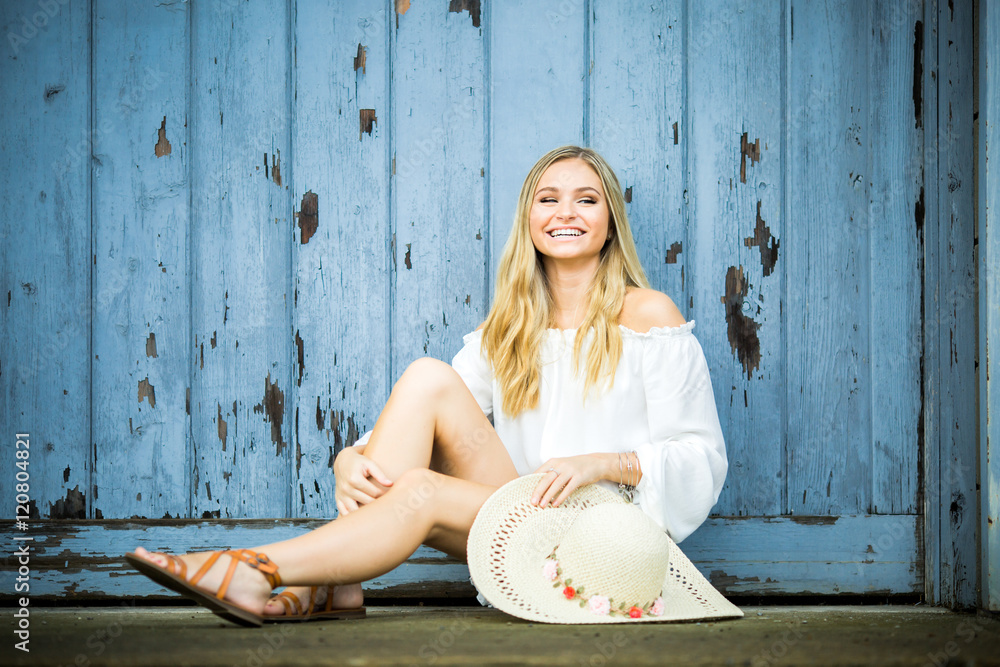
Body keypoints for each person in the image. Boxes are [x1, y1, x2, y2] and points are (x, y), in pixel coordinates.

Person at [126, 145, 729, 626]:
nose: (565, 212)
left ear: (610, 222)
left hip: (602, 537)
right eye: (548, 199)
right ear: (529, 219)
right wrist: (350, 457)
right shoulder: (511, 325)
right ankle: (328, 581)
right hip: (528, 512)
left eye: (586, 200)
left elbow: (701, 458)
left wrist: (601, 462)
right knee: (427, 377)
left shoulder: (649, 315)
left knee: (422, 490)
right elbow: (423, 410)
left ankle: (262, 570)